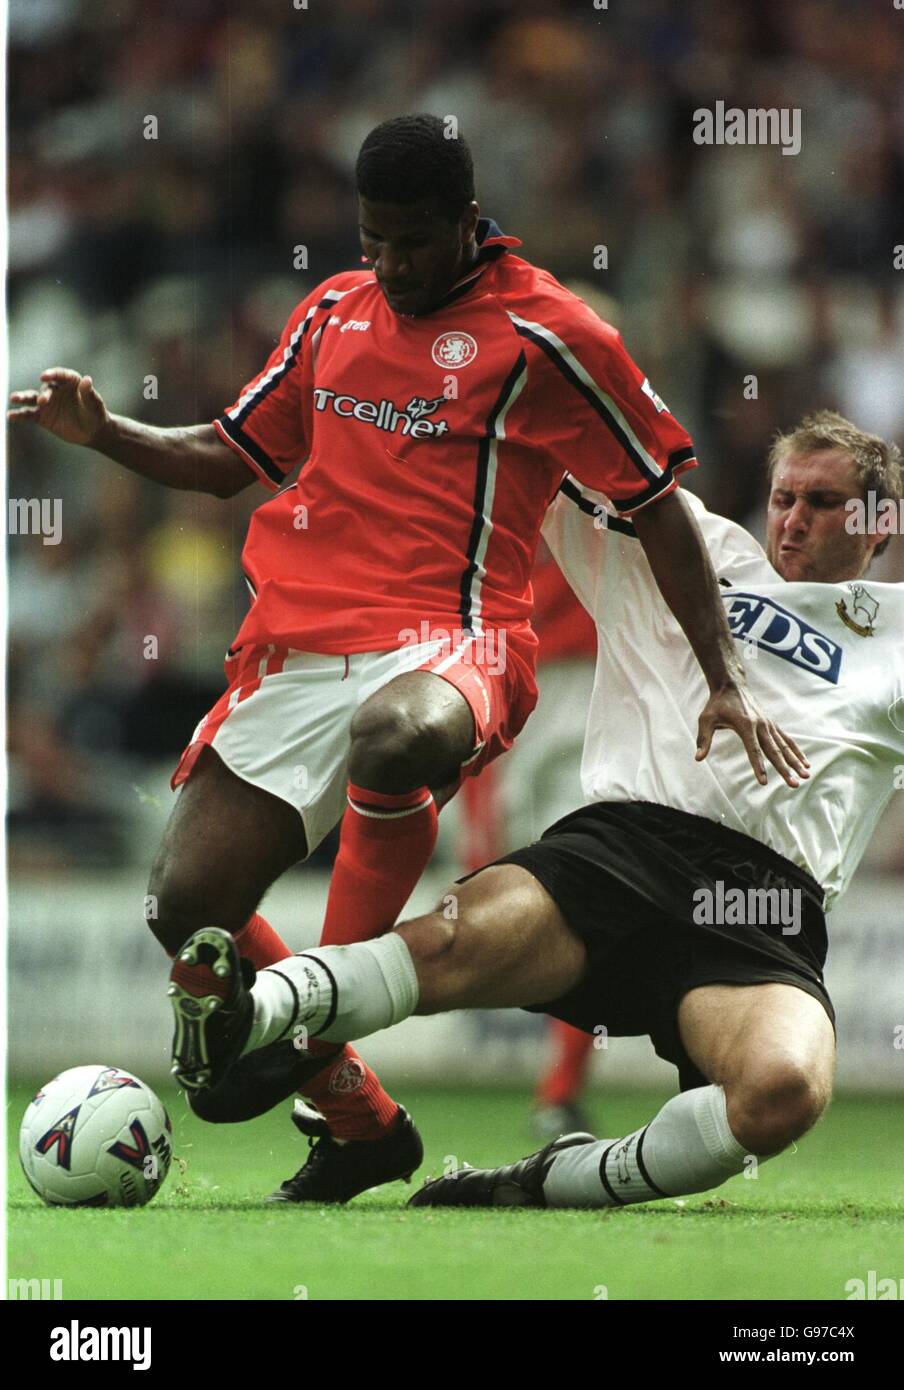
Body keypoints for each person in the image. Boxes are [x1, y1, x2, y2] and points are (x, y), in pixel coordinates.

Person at [10, 114, 802, 1204]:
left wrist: (720, 674)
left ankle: (317, 1008)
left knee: (398, 737)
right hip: (295, 644)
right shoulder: (332, 310)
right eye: (372, 238)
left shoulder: (551, 335)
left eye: (411, 242)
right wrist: (105, 434)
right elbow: (223, 461)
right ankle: (360, 1122)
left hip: (455, 638)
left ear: (467, 221)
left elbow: (658, 505)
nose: (389, 264)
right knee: (183, 901)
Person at [169, 410, 902, 1209]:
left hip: (764, 907)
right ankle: (252, 1018)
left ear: (880, 521)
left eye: (823, 502)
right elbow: (544, 448)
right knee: (446, 940)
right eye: (784, 496)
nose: (793, 518)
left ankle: (549, 1178)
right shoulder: (688, 544)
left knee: (784, 1091)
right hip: (625, 849)